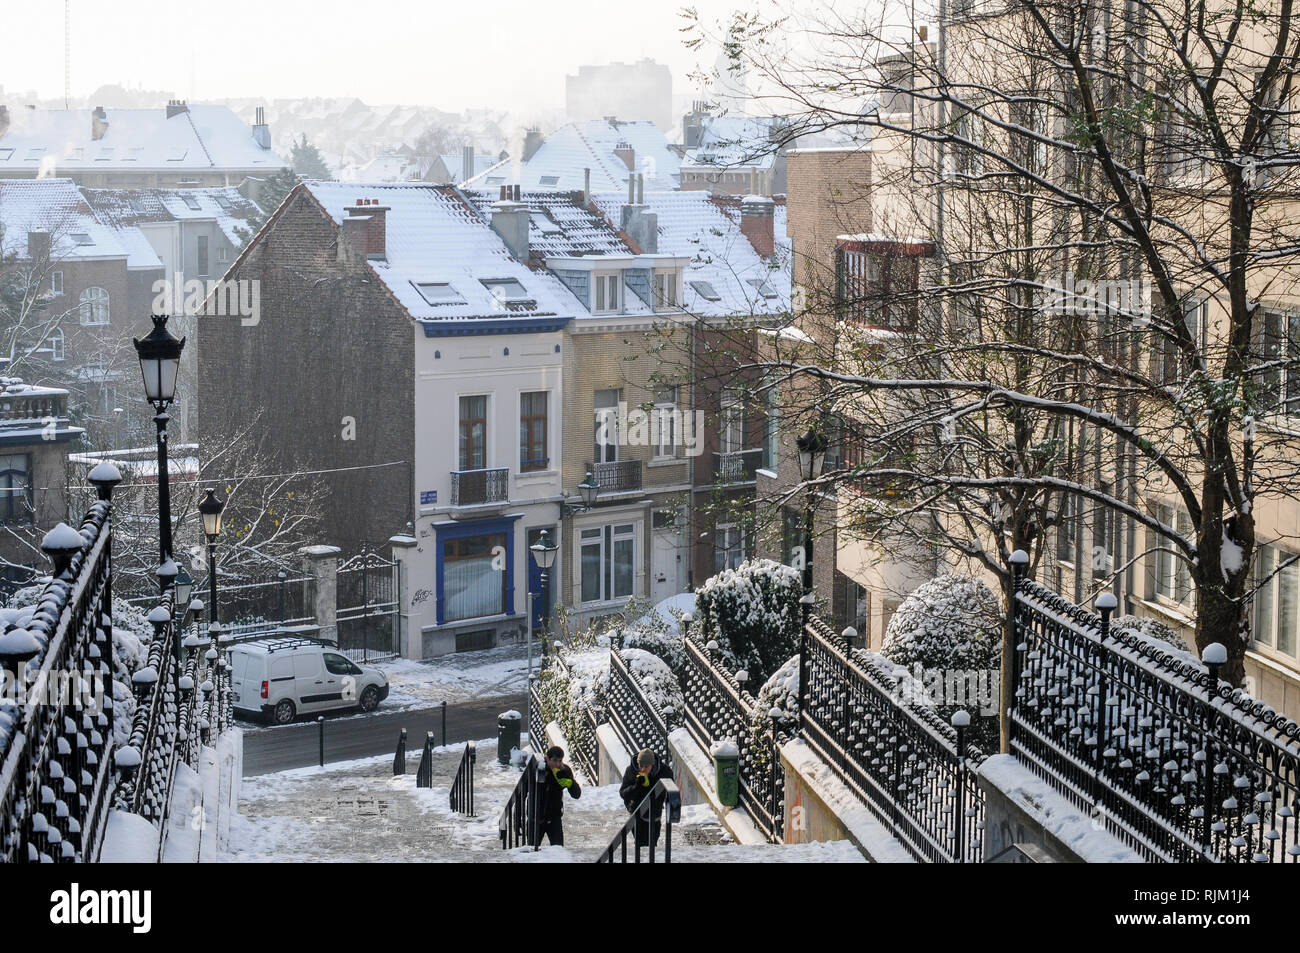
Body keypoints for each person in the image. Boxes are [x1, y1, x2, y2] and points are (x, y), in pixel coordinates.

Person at [619, 747, 673, 850]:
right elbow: (623, 793)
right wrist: (636, 786)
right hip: (636, 813)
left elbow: (670, 789)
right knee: (641, 845)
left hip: (654, 815)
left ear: (652, 764)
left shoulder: (663, 771)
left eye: (646, 766)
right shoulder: (631, 771)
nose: (643, 769)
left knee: (651, 844)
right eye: (641, 766)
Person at [533, 745, 581, 847]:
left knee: (558, 850)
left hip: (554, 817)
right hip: (535, 817)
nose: (557, 764)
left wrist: (570, 782)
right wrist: (518, 819)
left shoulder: (564, 770)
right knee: (532, 850)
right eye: (554, 760)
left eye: (560, 761)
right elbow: (522, 794)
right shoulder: (538, 770)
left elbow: (576, 794)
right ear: (547, 759)